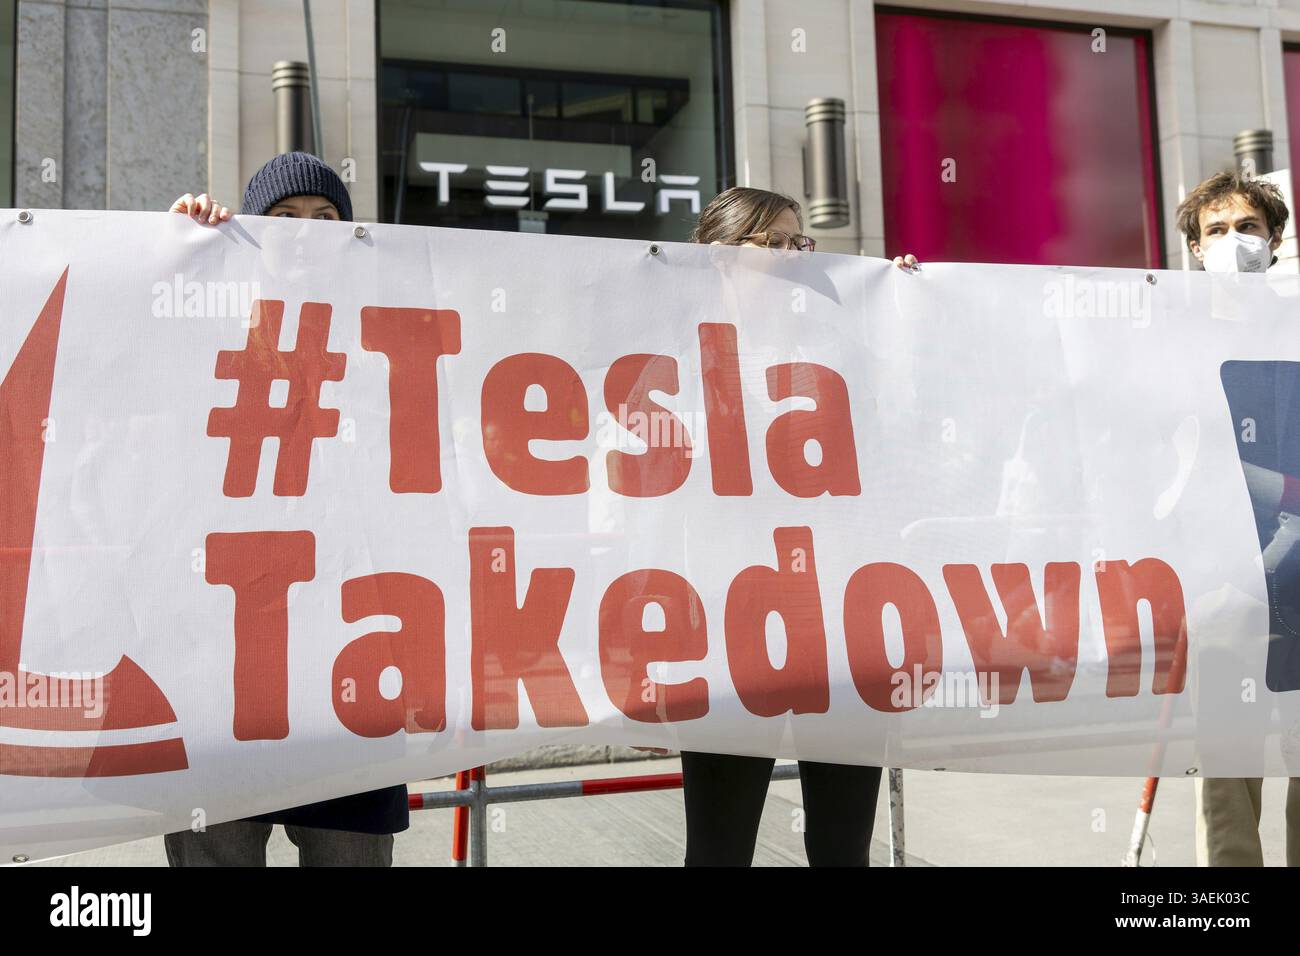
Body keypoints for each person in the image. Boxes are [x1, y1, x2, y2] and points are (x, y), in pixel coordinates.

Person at [163, 151, 409, 867]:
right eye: (285, 218)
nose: (306, 232)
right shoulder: (205, 322)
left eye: (326, 218)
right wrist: (178, 253)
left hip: (348, 661)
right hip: (219, 668)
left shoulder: (385, 335)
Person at [675, 185, 903, 866]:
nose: (790, 255)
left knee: (842, 844)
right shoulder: (676, 355)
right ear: (719, 256)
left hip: (840, 618)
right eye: (769, 242)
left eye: (798, 242)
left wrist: (909, 306)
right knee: (719, 844)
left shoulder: (843, 341)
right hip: (730, 623)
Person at [1175, 170, 1300, 866]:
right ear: (1194, 248)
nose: (1233, 243)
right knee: (1228, 760)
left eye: (1247, 228)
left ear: (1275, 240)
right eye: (1216, 230)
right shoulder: (1166, 332)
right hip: (1222, 577)